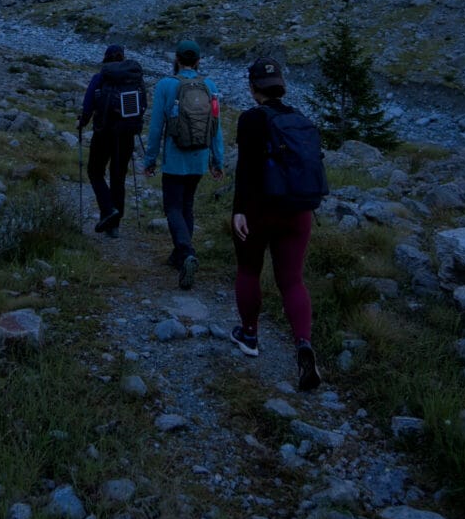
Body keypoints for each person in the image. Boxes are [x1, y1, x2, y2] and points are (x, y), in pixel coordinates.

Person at [230, 56, 323, 392]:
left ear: (253, 88)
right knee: (292, 280)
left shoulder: (250, 119)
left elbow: (247, 169)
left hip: (258, 210)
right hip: (298, 210)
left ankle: (249, 335)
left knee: (249, 270)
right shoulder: (299, 119)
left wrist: (239, 209)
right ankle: (303, 343)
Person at [142, 39, 224, 289]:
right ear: (198, 61)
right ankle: (180, 256)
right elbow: (216, 127)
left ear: (177, 59)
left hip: (174, 158)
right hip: (199, 158)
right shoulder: (210, 85)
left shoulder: (166, 85)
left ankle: (187, 252)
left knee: (172, 207)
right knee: (187, 205)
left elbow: (156, 127)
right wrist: (217, 160)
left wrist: (150, 159)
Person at [77, 45, 145, 236]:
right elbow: (143, 105)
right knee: (118, 176)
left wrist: (82, 122)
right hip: (126, 135)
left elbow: (88, 106)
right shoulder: (134, 78)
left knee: (95, 171)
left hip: (104, 133)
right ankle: (114, 225)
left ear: (106, 59)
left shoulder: (100, 78)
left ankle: (108, 210)